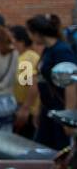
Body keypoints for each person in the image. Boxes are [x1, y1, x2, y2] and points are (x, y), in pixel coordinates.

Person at [27, 13, 77, 149]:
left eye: (30, 33)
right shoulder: (48, 50)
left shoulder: (62, 51)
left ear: (38, 33)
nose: (29, 37)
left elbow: (71, 84)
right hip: (48, 110)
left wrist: (68, 118)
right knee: (43, 150)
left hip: (60, 111)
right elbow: (42, 80)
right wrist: (38, 109)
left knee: (60, 152)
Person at [11, 24, 41, 138]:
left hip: (25, 110)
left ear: (21, 41)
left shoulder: (26, 59)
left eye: (12, 38)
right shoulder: (22, 57)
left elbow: (30, 85)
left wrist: (24, 109)